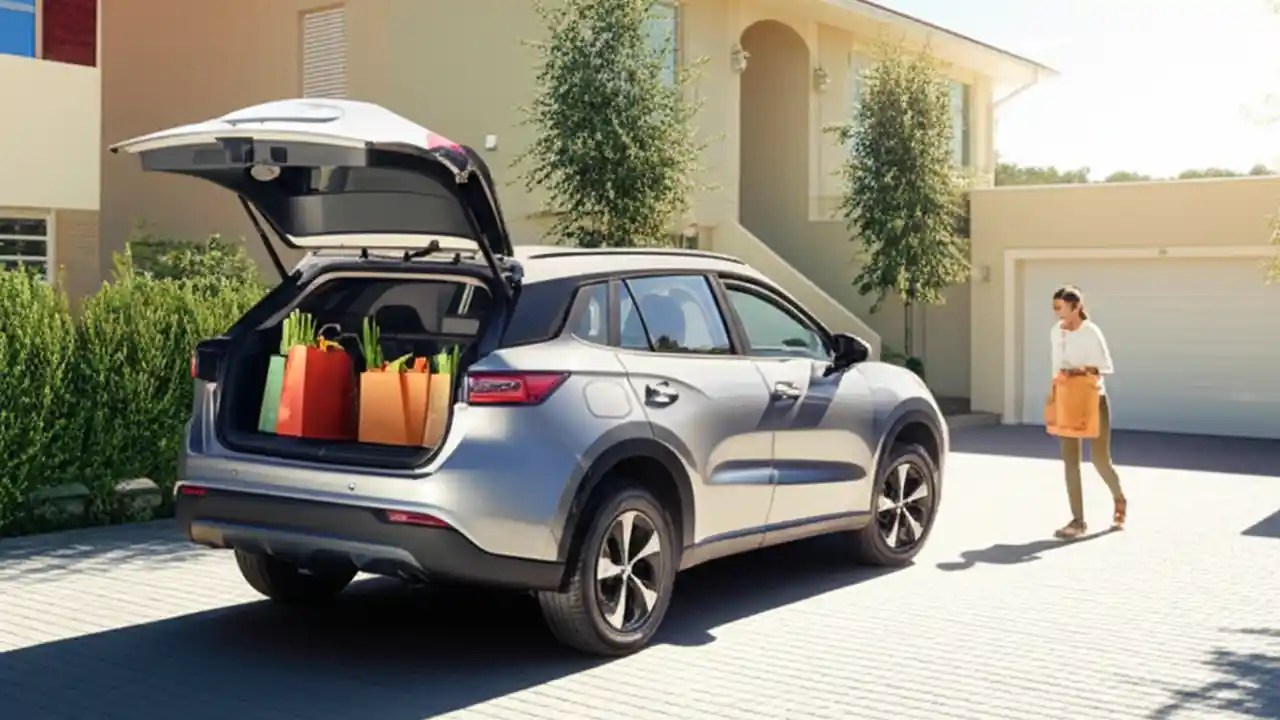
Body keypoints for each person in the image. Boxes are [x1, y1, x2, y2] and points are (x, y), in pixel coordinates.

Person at [1048, 285, 1127, 539]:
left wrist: (1078, 371)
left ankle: (1119, 498)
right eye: (1055, 307)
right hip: (1066, 397)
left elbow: (1104, 366)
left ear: (1076, 307)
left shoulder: (1091, 332)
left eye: (1060, 307)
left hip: (1093, 399)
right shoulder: (1055, 332)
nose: (1057, 312)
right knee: (1070, 461)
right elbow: (1055, 367)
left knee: (1099, 459)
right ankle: (1077, 521)